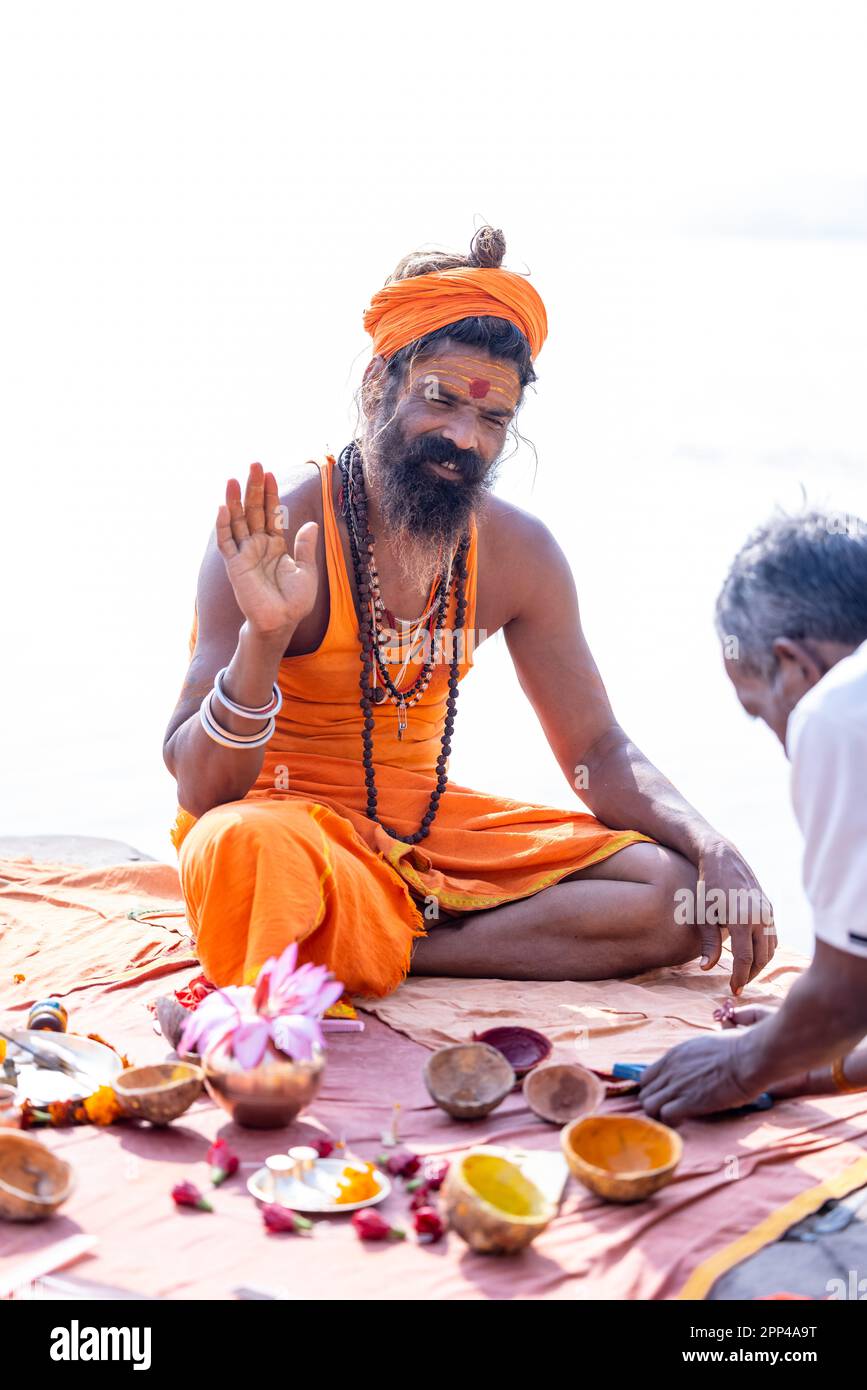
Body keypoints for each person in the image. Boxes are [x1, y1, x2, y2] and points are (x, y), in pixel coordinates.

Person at [162, 225, 774, 998]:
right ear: (377, 387)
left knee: (683, 895)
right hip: (283, 828)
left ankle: (392, 946)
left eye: (492, 420)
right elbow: (199, 789)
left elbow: (595, 746)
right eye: (440, 400)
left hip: (429, 834)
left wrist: (708, 839)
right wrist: (264, 636)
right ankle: (367, 926)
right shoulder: (279, 528)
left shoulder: (519, 554)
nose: (463, 438)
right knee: (245, 849)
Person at [639, 510, 867, 1122]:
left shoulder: (840, 710)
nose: (781, 740)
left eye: (759, 709)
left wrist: (741, 1066)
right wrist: (798, 1053)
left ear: (794, 665)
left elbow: (848, 999)